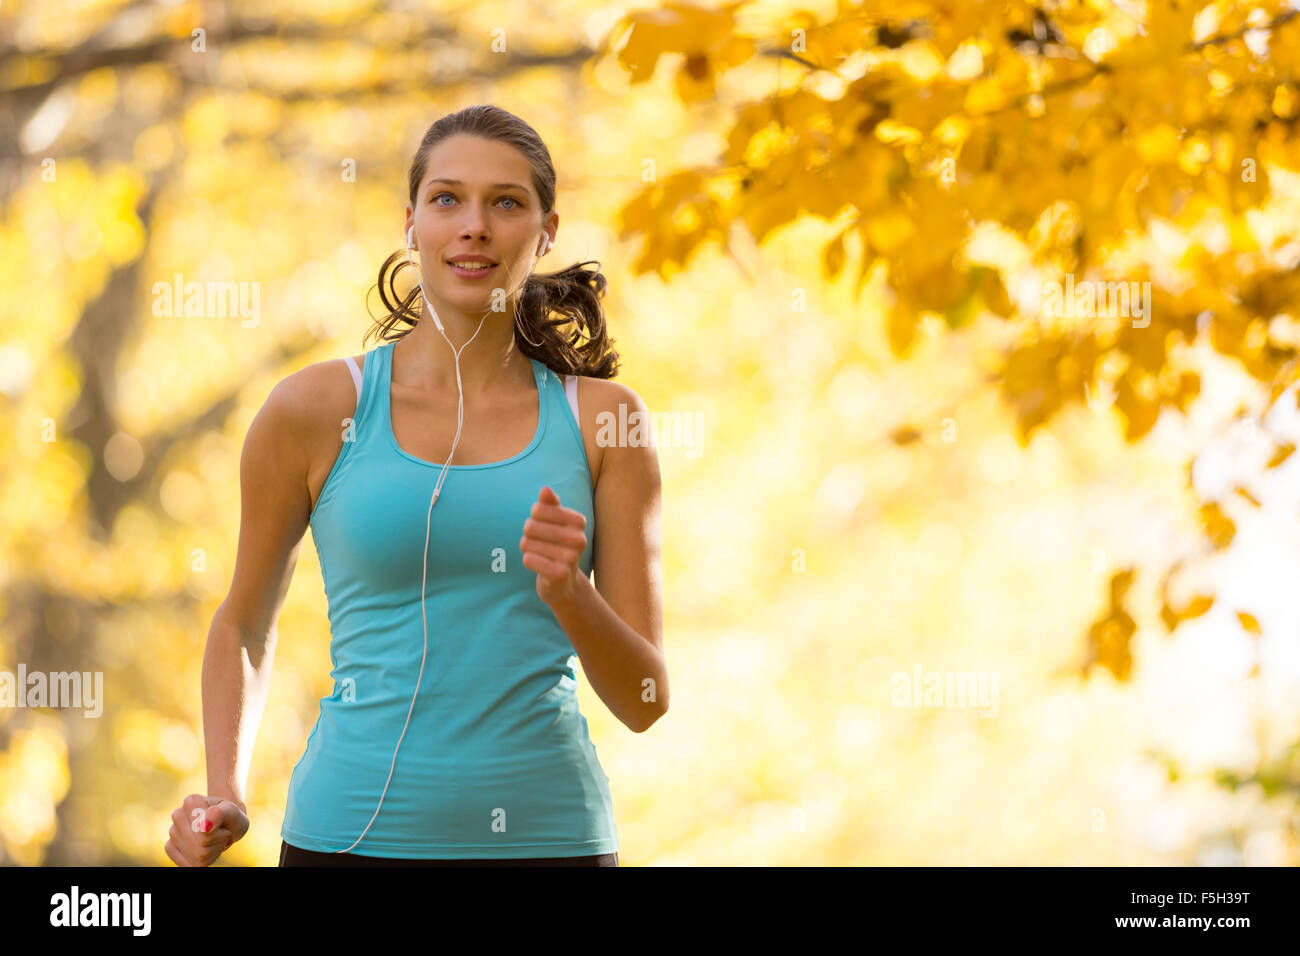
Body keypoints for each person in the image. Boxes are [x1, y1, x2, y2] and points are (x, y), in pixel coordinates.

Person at [164, 105, 667, 867]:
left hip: (549, 841)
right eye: (446, 200)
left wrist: (574, 596)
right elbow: (244, 622)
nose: (474, 226)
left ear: (548, 229)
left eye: (505, 202)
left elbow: (645, 702)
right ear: (411, 224)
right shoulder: (314, 410)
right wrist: (224, 788)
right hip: (347, 837)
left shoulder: (605, 422)